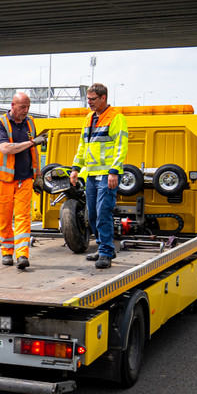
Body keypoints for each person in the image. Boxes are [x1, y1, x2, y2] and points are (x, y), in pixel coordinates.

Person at [68, 83, 129, 270]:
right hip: (92, 174)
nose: (89, 102)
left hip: (106, 174)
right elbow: (83, 145)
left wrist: (114, 171)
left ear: (103, 98)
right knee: (93, 214)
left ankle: (105, 252)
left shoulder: (116, 118)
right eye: (88, 99)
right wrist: (75, 168)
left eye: (93, 99)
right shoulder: (89, 118)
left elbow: (121, 146)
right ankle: (105, 247)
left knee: (103, 212)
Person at [0, 91, 47, 270]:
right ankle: (7, 252)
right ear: (13, 105)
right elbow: (6, 149)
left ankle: (22, 254)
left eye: (28, 107)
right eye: (23, 107)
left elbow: (34, 152)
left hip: (25, 179)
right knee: (5, 218)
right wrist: (32, 142)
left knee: (23, 217)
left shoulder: (30, 122)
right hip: (3, 181)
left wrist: (38, 175)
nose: (26, 110)